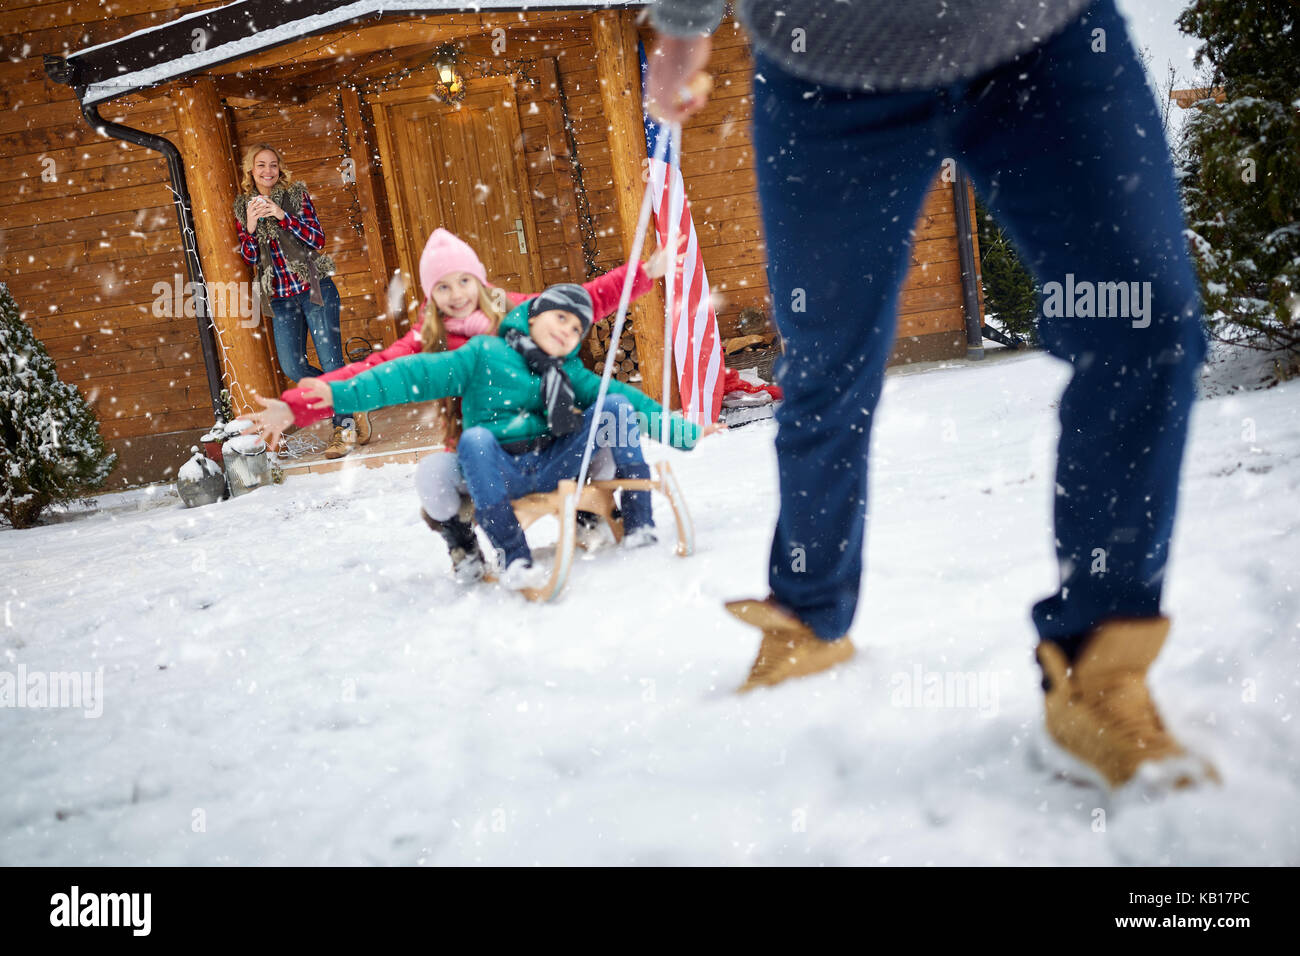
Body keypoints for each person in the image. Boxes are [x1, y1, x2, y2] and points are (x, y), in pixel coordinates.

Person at [648, 0, 1218, 790]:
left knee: (1143, 321)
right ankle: (808, 615)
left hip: (1043, 40)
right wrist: (683, 27)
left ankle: (1098, 664)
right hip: (830, 68)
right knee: (824, 366)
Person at [244, 228, 671, 577]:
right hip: (486, 452)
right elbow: (375, 373)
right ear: (432, 295)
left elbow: (587, 299)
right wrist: (297, 406)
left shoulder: (520, 312)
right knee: (433, 478)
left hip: (550, 439)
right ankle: (462, 544)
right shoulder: (426, 341)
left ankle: (589, 511)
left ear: (480, 280)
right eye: (443, 286)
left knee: (606, 433)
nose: (456, 293)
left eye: (464, 281)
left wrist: (645, 274)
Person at [298, 284, 722, 589]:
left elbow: (629, 398)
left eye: (576, 329)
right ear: (535, 314)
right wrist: (339, 393)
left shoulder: (568, 371)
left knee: (614, 406)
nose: (566, 332)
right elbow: (414, 373)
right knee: (474, 441)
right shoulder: (484, 353)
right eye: (560, 318)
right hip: (502, 469)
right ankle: (512, 554)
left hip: (557, 461)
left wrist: (686, 431)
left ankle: (638, 519)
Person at [234, 143, 365, 459]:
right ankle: (350, 401)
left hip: (314, 289)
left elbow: (317, 239)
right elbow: (251, 257)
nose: (268, 171)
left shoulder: (295, 197)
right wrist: (250, 228)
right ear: (250, 170)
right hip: (281, 299)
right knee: (293, 365)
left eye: (273, 165)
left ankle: (344, 427)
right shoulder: (243, 207)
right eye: (261, 165)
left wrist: (282, 216)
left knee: (332, 363)